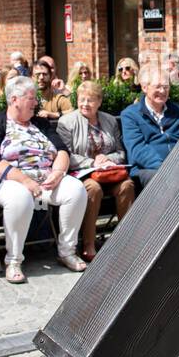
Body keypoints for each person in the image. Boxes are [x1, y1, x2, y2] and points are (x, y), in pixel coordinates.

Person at [0, 76, 88, 283]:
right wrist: (24, 181)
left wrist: (57, 173)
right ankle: (13, 261)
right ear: (14, 100)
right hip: (8, 181)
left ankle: (67, 251)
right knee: (20, 197)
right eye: (31, 98)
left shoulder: (40, 123)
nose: (36, 103)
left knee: (76, 189)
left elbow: (62, 150)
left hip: (45, 178)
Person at [57, 80, 134, 261]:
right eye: (82, 99)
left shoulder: (109, 120)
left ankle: (127, 241)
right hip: (83, 175)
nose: (85, 104)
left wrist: (108, 159)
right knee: (93, 188)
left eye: (90, 100)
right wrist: (93, 163)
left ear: (99, 101)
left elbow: (121, 152)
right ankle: (88, 243)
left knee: (127, 185)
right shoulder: (66, 122)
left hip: (109, 174)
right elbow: (66, 155)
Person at [120, 64, 179, 188]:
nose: (163, 91)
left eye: (166, 87)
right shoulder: (130, 115)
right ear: (145, 87)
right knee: (160, 179)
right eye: (158, 87)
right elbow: (138, 149)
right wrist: (164, 168)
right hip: (147, 169)